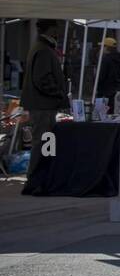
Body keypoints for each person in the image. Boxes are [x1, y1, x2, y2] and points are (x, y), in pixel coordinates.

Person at [20, 20, 69, 188]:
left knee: (46, 141)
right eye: (57, 28)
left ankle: (42, 177)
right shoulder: (43, 50)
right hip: (43, 106)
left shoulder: (42, 48)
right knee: (42, 142)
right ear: (51, 29)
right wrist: (58, 93)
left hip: (44, 105)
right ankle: (36, 179)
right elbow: (42, 79)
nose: (59, 32)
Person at [94, 37, 120, 112]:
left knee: (102, 113)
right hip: (116, 90)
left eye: (103, 46)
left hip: (104, 91)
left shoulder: (105, 59)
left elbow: (100, 76)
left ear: (106, 47)